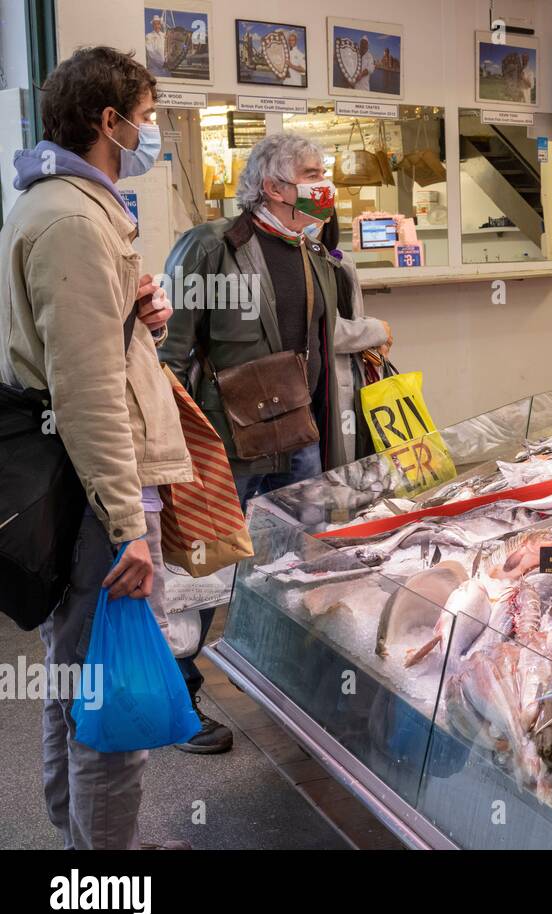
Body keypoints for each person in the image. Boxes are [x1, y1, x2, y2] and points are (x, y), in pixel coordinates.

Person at [0, 46, 192, 848]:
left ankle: (81, 841)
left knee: (72, 677)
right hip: (94, 501)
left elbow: (83, 344)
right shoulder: (77, 220)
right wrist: (129, 528)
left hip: (81, 488)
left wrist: (138, 308)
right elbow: (85, 398)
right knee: (110, 702)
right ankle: (102, 872)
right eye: (144, 119)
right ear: (107, 122)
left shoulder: (65, 204)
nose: (150, 134)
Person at [160, 133, 347, 752]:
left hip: (298, 438)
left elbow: (323, 349)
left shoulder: (314, 253)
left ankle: (289, 682)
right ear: (273, 186)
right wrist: (171, 448)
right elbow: (168, 354)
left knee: (295, 563)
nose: (326, 184)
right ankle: (179, 696)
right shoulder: (210, 248)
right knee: (202, 571)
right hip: (223, 445)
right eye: (314, 174)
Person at [317, 211, 393, 463]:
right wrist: (376, 330)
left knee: (360, 457)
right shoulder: (295, 263)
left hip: (355, 379)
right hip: (317, 383)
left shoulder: (343, 261)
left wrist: (373, 340)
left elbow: (354, 316)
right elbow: (324, 331)